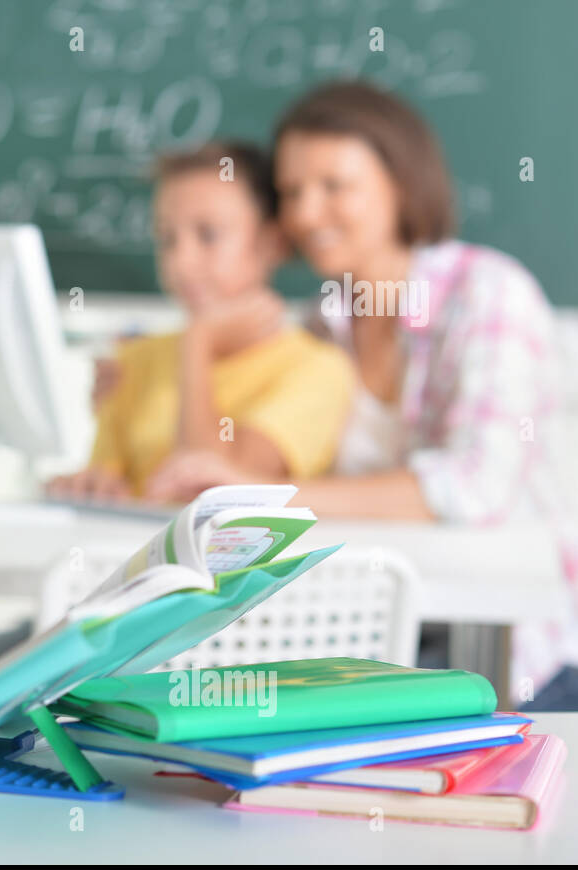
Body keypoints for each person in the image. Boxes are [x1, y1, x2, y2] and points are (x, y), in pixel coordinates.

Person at [144, 82, 578, 698]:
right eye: (291, 193)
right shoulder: (323, 325)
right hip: (378, 625)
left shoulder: (487, 292)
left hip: (516, 646)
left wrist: (271, 497)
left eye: (333, 187)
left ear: (400, 183)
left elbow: (473, 485)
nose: (306, 213)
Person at [45, 141, 354, 501]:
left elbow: (211, 492)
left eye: (208, 235)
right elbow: (107, 480)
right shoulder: (134, 359)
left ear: (272, 244)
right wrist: (93, 486)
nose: (181, 262)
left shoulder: (317, 369)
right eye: (167, 238)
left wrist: (197, 343)